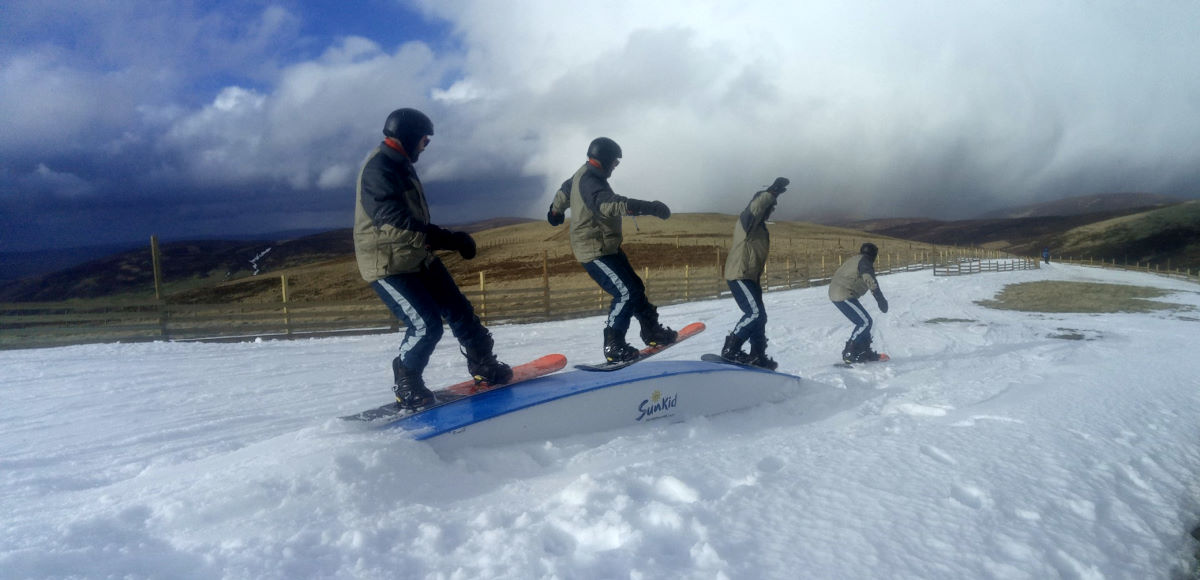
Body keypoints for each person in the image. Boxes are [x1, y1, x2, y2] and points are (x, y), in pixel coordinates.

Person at [353, 108, 512, 410]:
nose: (426, 145)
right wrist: (447, 239)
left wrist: (444, 240)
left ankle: (484, 364)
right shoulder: (380, 168)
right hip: (388, 263)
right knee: (426, 326)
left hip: (415, 255)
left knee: (460, 312)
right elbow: (393, 219)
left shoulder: (399, 163)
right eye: (425, 139)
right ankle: (406, 383)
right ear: (410, 136)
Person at [546, 137, 676, 362]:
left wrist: (555, 212)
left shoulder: (584, 173)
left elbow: (565, 191)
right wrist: (650, 208)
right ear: (604, 160)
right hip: (593, 250)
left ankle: (651, 330)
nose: (615, 167)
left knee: (634, 287)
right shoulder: (591, 182)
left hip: (606, 246)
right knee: (624, 292)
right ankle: (613, 344)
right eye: (615, 162)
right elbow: (609, 205)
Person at [721, 177, 790, 370]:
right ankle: (731, 349)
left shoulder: (758, 227)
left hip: (750, 277)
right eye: (771, 207)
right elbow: (757, 206)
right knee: (755, 313)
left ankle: (757, 355)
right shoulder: (747, 221)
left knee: (760, 317)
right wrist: (772, 192)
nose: (771, 211)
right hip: (739, 274)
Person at [829, 242, 889, 364]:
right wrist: (880, 299)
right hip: (843, 293)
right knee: (865, 322)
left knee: (865, 322)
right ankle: (849, 353)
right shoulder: (865, 262)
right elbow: (869, 279)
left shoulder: (856, 259)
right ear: (873, 255)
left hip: (839, 292)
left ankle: (864, 351)